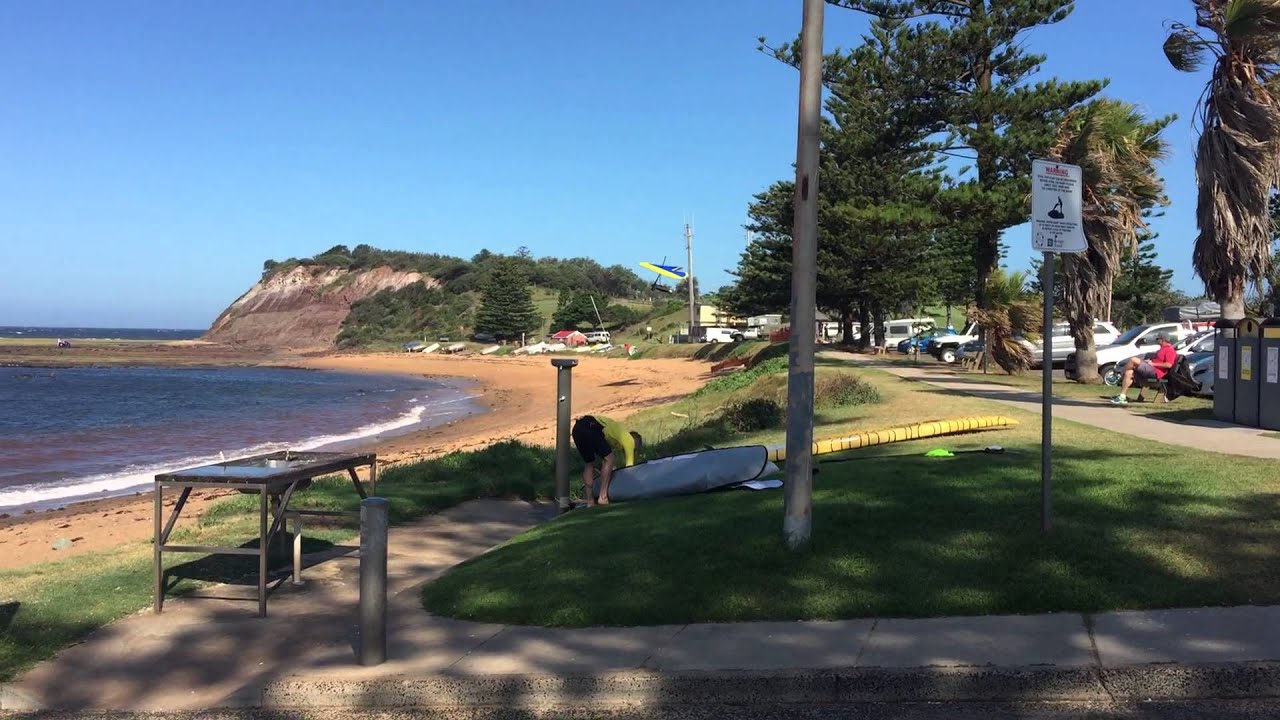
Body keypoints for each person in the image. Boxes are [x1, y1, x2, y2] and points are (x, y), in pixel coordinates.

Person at [570, 414, 643, 506]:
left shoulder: (616, 437)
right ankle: (603, 497)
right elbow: (630, 468)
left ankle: (590, 501)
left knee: (589, 463)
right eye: (635, 450)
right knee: (610, 459)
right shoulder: (629, 440)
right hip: (592, 426)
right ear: (635, 442)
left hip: (578, 428)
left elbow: (604, 457)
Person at [1111, 333, 1178, 405]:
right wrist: (1149, 362)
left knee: (1133, 360)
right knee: (1129, 373)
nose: (1156, 340)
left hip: (1157, 372)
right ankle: (1122, 397)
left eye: (1157, 339)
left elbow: (1169, 365)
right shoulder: (1162, 349)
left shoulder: (1170, 350)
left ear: (1163, 340)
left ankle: (1120, 375)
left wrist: (1153, 364)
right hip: (1151, 368)